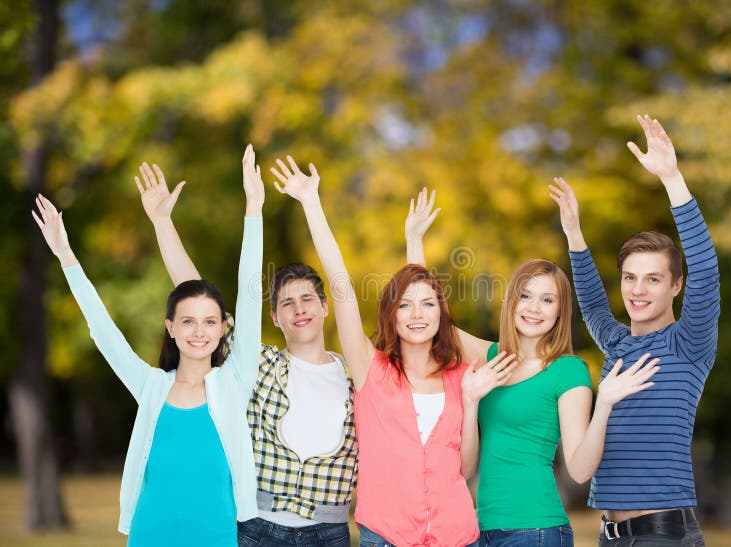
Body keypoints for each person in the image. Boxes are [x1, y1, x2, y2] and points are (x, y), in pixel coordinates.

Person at [270, 156, 509, 547]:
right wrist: (311, 202)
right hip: (386, 537)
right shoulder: (371, 370)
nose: (417, 315)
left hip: (459, 537)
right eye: (405, 306)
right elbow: (341, 285)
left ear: (442, 313)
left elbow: (464, 469)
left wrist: (470, 402)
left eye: (429, 305)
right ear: (391, 315)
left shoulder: (459, 376)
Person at [31, 146, 264, 546]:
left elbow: (248, 292)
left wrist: (253, 210)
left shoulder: (236, 381)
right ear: (170, 328)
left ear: (224, 328)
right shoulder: (152, 386)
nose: (199, 331)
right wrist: (65, 254)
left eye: (210, 322)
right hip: (150, 533)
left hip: (215, 535)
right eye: (188, 321)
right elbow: (104, 332)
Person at [406, 191, 659, 547]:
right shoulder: (493, 357)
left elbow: (580, 468)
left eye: (547, 299)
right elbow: (433, 326)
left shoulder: (568, 370)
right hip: (481, 528)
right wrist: (414, 241)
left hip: (536, 530)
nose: (534, 308)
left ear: (560, 311)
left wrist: (604, 405)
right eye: (525, 296)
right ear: (512, 301)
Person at [135, 149, 356, 546]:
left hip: (331, 532)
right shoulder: (258, 365)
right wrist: (162, 222)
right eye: (286, 303)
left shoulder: (355, 376)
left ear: (325, 307)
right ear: (274, 317)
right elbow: (197, 296)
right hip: (259, 529)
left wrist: (310, 202)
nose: (299, 309)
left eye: (308, 299)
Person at [550, 114, 720, 545]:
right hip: (612, 535)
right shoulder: (618, 344)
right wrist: (573, 232)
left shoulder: (689, 341)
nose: (638, 290)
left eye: (653, 278)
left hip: (662, 535)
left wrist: (672, 178)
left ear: (676, 285)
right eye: (629, 277)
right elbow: (589, 301)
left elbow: (706, 269)